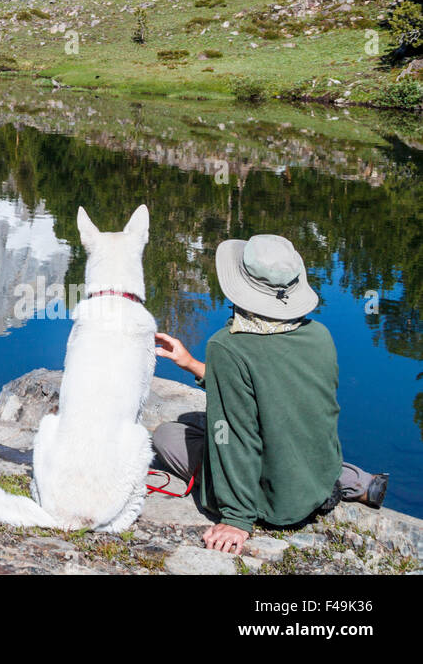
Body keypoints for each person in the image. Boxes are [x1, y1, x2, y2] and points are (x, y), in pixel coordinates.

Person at [153, 233, 388, 555]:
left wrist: (237, 518)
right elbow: (279, 395)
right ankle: (351, 480)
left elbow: (235, 435)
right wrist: (192, 364)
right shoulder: (319, 334)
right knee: (263, 426)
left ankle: (257, 500)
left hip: (275, 503)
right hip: (318, 478)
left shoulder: (228, 345)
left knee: (169, 434)